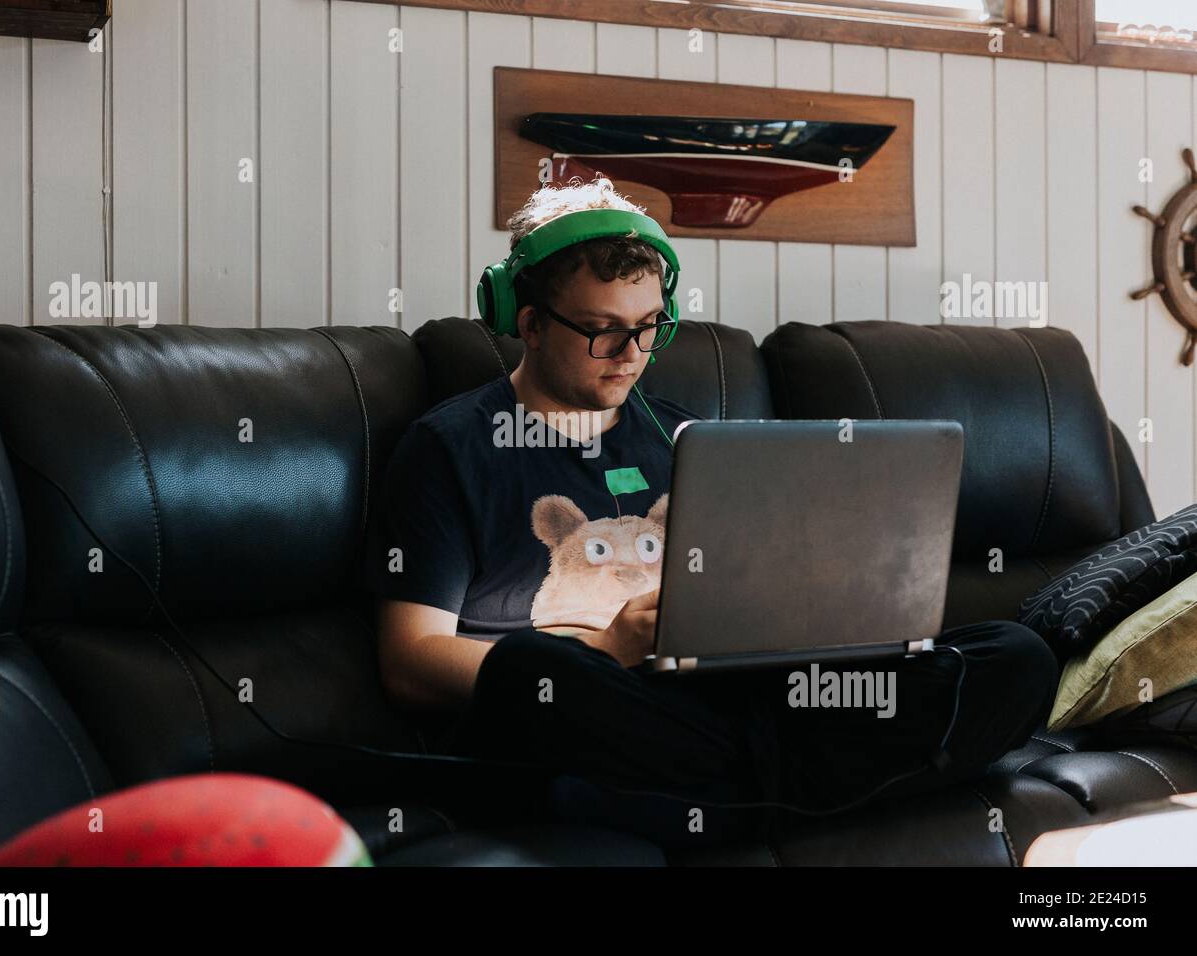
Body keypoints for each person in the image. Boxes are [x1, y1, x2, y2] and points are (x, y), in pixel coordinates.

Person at [363, 174, 1060, 849]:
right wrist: (606, 649)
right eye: (602, 331)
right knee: (530, 671)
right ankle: (826, 788)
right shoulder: (449, 448)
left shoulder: (686, 439)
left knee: (1016, 656)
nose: (631, 355)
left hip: (726, 710)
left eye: (648, 327)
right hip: (590, 713)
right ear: (529, 323)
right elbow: (412, 661)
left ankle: (736, 800)